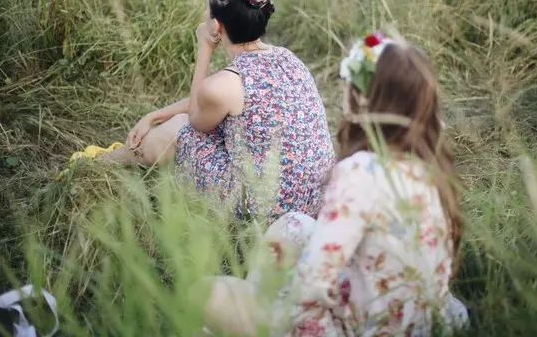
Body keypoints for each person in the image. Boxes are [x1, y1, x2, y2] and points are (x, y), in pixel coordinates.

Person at [201, 31, 469, 336]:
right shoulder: (431, 166)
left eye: (348, 84)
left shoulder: (359, 172)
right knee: (293, 224)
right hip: (418, 321)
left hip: (357, 327)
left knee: (209, 291)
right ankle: (255, 297)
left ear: (364, 99)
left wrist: (270, 313)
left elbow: (313, 283)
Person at [100, 0, 335, 222]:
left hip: (264, 210)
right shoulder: (288, 58)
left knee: (181, 130)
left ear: (215, 26)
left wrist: (204, 48)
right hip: (315, 199)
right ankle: (122, 157)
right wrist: (154, 115)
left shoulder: (226, 83)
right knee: (213, 124)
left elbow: (195, 117)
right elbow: (213, 101)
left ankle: (108, 162)